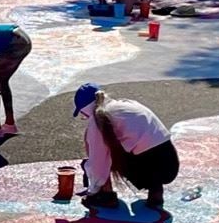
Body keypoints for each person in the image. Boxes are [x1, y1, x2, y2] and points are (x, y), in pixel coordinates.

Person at [73, 84, 179, 213]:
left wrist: (93, 188)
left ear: (86, 109)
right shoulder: (126, 103)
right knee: (136, 146)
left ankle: (106, 195)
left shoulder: (98, 120)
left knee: (102, 152)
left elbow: (98, 161)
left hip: (148, 170)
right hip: (170, 165)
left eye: (83, 114)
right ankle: (155, 190)